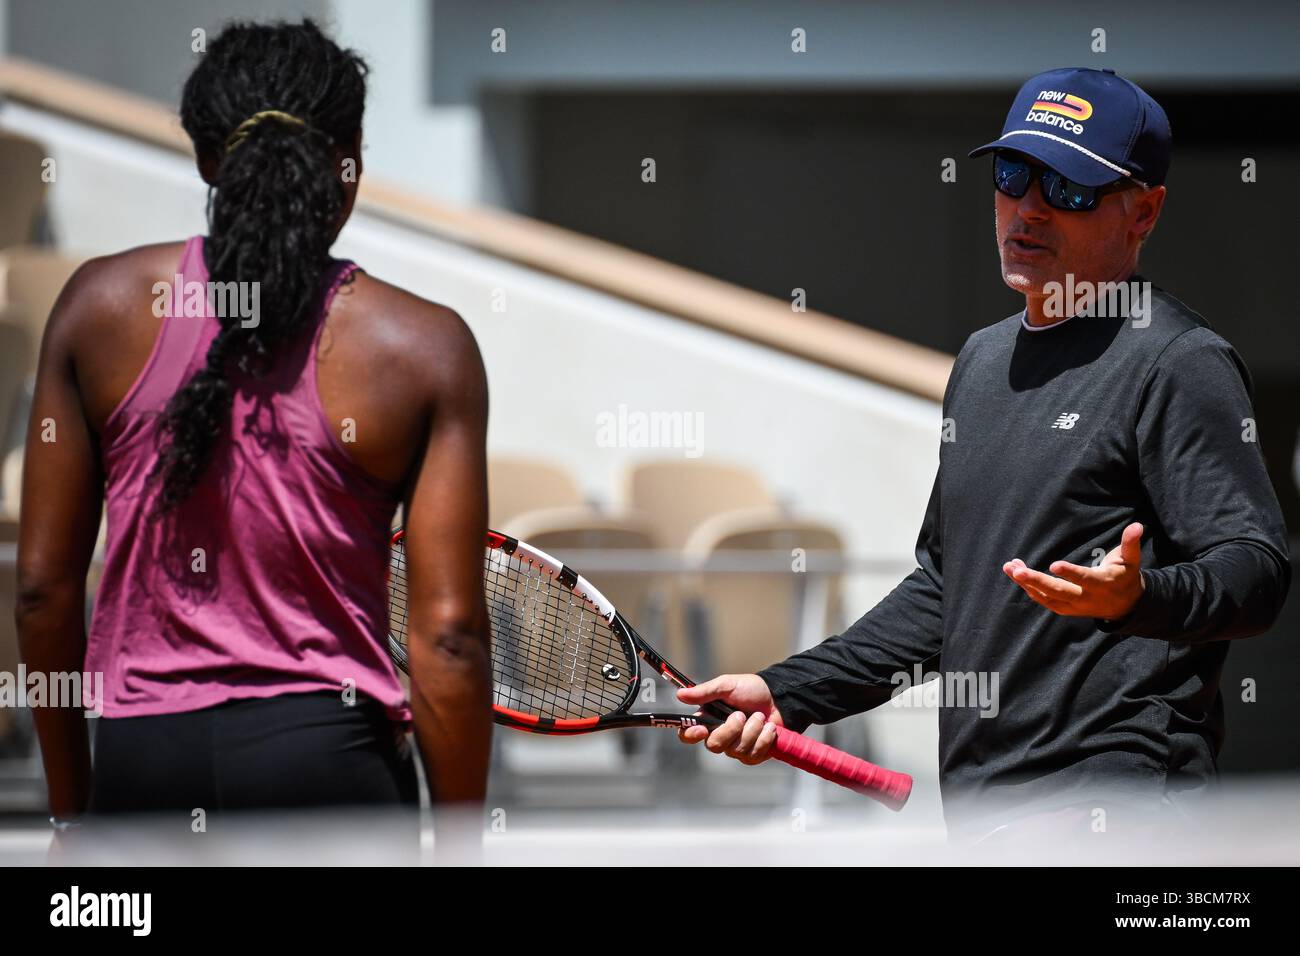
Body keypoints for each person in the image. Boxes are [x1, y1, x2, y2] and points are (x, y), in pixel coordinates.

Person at [677, 67, 1291, 843]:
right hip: (987, 818)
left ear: (1145, 210)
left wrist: (1143, 598)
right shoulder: (982, 361)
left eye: (1068, 187)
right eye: (1013, 174)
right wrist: (786, 690)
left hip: (1116, 808)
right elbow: (945, 591)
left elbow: (1258, 569)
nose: (1029, 208)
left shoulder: (1178, 361)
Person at [14, 19, 493, 857]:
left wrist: (70, 813)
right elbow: (447, 636)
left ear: (206, 160)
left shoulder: (97, 308)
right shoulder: (423, 348)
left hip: (141, 766)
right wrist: (461, 850)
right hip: (329, 761)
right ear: (349, 165)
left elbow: (43, 594)